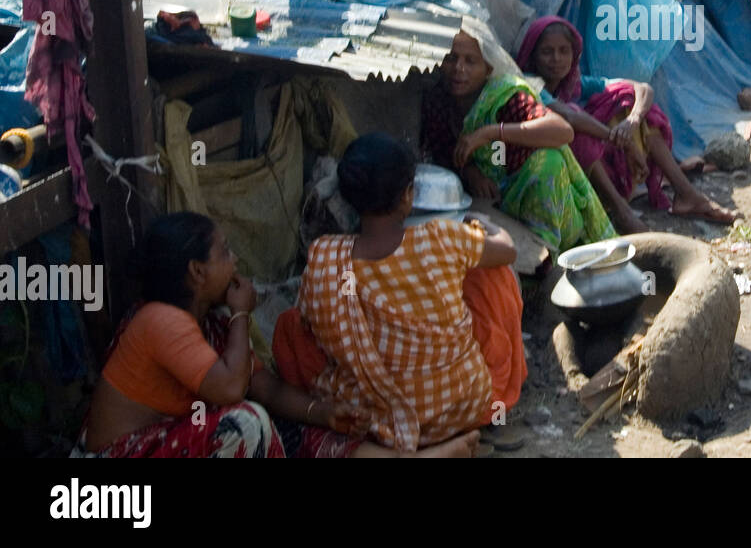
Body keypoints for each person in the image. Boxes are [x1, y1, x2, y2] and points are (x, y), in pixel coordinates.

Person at [288, 133, 525, 455]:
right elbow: (508, 251)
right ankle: (485, 416)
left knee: (289, 327)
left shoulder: (324, 256)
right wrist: (485, 224)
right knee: (493, 275)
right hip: (460, 409)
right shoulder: (441, 238)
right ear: (407, 196)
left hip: (368, 421)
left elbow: (310, 324)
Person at [78, 211, 372, 458]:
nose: (235, 260)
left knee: (290, 429)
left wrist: (323, 413)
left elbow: (265, 388)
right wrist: (241, 313)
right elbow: (232, 389)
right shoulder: (160, 321)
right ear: (197, 272)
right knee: (245, 424)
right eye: (226, 251)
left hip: (165, 442)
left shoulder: (210, 324)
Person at [516, 16, 739, 234]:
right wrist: (624, 142)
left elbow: (642, 89)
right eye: (547, 52)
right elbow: (569, 117)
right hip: (553, 173)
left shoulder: (574, 84)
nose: (556, 59)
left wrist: (632, 121)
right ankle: (622, 212)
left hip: (597, 167)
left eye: (564, 51)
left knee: (635, 106)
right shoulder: (530, 84)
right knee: (578, 129)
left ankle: (687, 195)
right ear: (533, 56)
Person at [421, 28, 615, 253]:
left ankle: (547, 253)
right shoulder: (437, 100)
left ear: (488, 69)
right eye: (451, 59)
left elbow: (563, 130)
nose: (458, 69)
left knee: (549, 160)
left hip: (543, 205)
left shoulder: (504, 96)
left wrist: (492, 132)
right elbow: (445, 151)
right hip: (496, 199)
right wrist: (470, 171)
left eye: (471, 61)